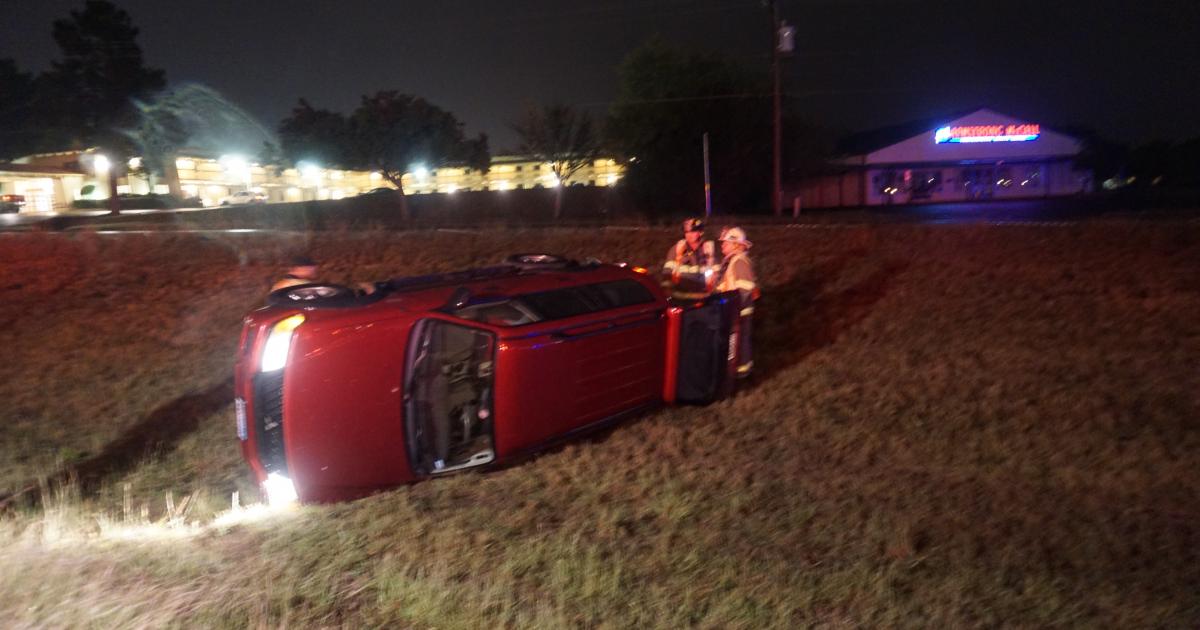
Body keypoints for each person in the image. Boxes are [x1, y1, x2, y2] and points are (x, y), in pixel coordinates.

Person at [716, 226, 758, 378]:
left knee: (740, 343)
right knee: (736, 343)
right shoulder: (730, 261)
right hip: (733, 309)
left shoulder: (739, 261)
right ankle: (738, 372)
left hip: (740, 310)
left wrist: (733, 307)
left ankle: (742, 374)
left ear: (735, 245)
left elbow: (745, 289)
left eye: (725, 243)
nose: (722, 245)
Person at [661, 217, 719, 300]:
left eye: (693, 231)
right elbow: (666, 275)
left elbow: (716, 275)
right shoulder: (676, 250)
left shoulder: (708, 250)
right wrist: (667, 296)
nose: (689, 235)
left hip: (703, 299)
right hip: (680, 299)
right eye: (687, 232)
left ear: (700, 232)